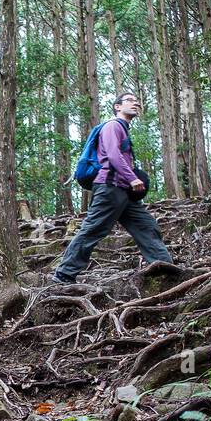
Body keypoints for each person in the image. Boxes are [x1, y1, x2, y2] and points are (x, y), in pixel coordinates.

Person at [51, 92, 173, 283]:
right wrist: (132, 178)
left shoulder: (124, 129)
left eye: (137, 102)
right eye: (130, 101)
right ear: (117, 106)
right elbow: (113, 155)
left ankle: (166, 269)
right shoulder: (113, 126)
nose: (136, 104)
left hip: (123, 192)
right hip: (109, 188)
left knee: (147, 226)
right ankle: (63, 275)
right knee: (93, 229)